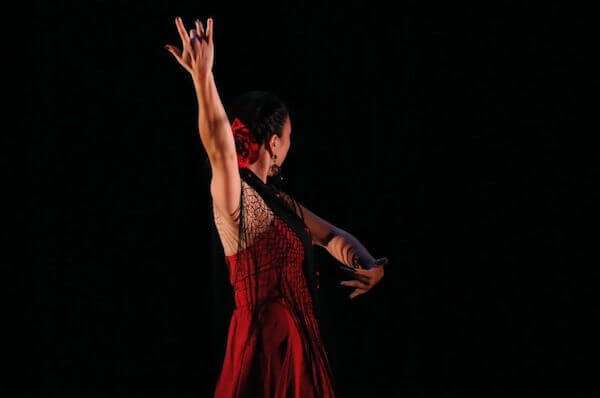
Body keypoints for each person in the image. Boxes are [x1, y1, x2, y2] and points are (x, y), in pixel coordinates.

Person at [165, 16, 388, 398]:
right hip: (262, 352)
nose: (289, 144)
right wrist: (203, 78)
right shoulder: (235, 195)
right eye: (288, 137)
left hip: (300, 345)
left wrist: (368, 264)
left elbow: (333, 236)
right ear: (272, 144)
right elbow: (218, 144)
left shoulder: (283, 204)